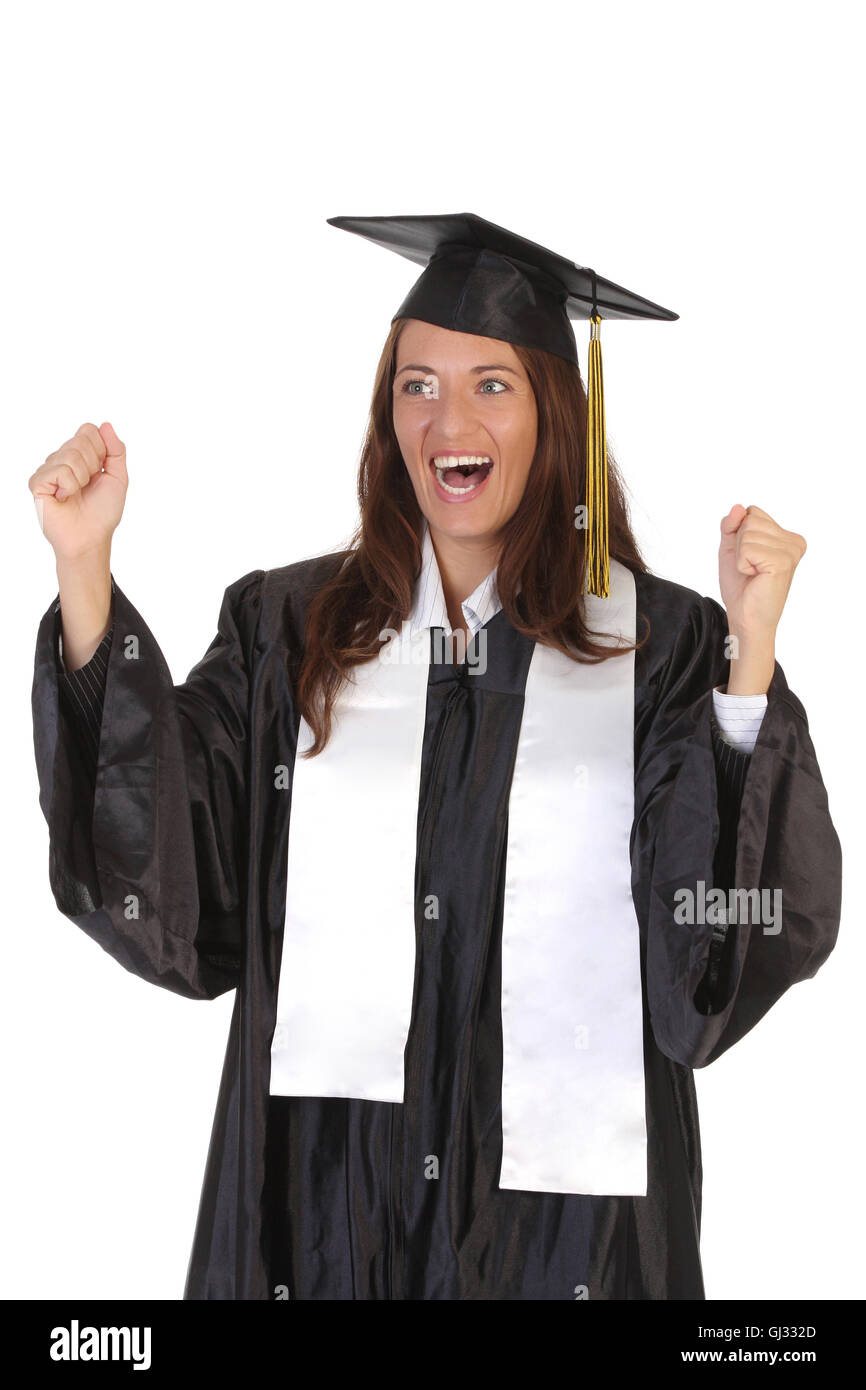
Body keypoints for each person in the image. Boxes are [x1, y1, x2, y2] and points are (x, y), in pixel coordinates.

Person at [29, 213, 842, 1301]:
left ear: (554, 412)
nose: (446, 417)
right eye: (416, 384)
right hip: (324, 1219)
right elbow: (169, 894)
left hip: (567, 1246)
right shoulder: (289, 630)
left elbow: (711, 969)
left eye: (490, 384)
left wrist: (747, 664)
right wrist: (85, 572)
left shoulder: (657, 646)